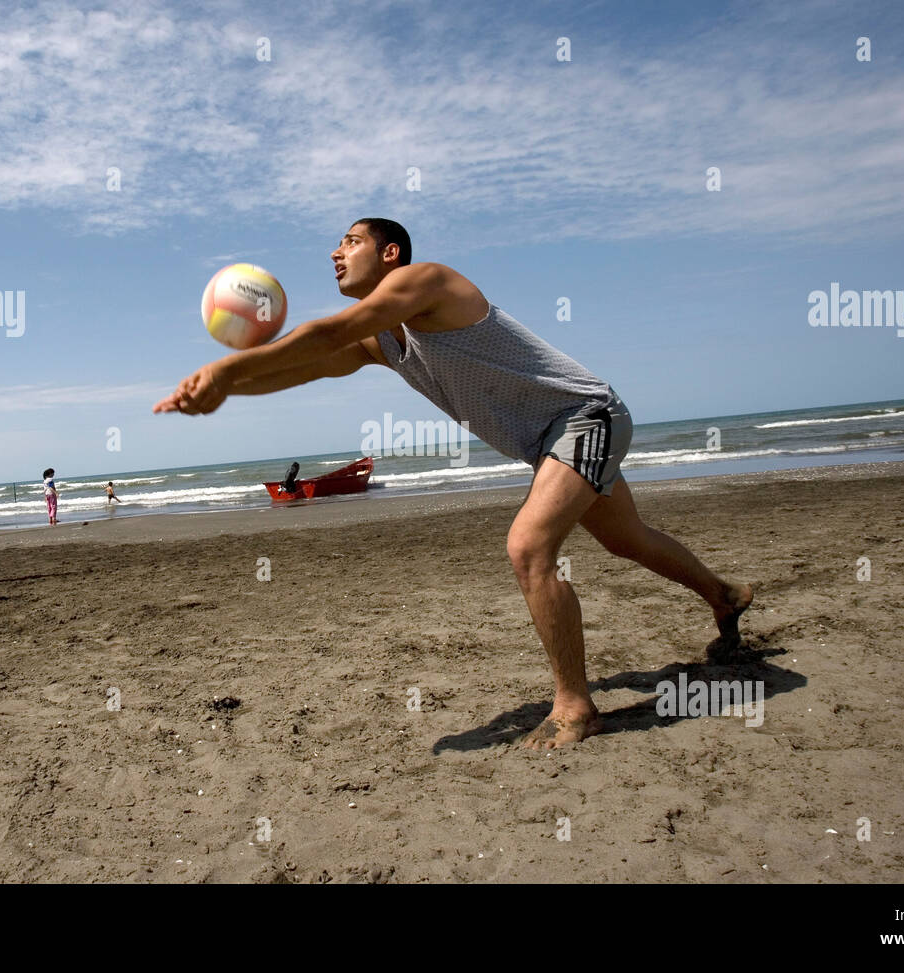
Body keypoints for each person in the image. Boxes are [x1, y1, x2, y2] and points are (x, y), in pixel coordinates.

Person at [155, 218, 752, 749]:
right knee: (629, 540)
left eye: (351, 241)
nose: (336, 253)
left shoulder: (428, 283)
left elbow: (329, 333)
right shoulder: (384, 341)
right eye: (336, 245)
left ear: (391, 254)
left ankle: (576, 706)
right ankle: (723, 595)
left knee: (529, 549)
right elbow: (306, 364)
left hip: (585, 417)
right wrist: (220, 391)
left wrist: (224, 368)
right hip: (550, 442)